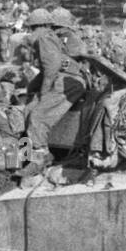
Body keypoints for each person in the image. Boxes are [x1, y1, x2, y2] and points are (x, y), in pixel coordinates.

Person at [24, 9, 85, 157]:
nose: (30, 33)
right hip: (65, 80)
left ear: (39, 26)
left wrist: (43, 92)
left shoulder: (45, 38)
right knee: (28, 110)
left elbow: (51, 67)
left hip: (66, 82)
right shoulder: (51, 38)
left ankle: (40, 157)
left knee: (38, 116)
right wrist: (31, 88)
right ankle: (25, 154)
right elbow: (48, 69)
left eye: (32, 28)